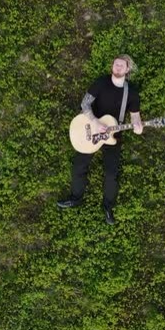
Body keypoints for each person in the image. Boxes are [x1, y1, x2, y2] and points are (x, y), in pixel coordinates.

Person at [57, 55, 143, 225]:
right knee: (79, 166)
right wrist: (95, 122)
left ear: (127, 70)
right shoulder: (101, 82)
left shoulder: (131, 92)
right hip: (92, 129)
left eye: (121, 65)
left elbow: (135, 117)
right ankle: (76, 197)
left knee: (111, 174)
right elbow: (85, 104)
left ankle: (107, 207)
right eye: (115, 64)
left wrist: (138, 126)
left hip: (114, 135)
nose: (117, 67)